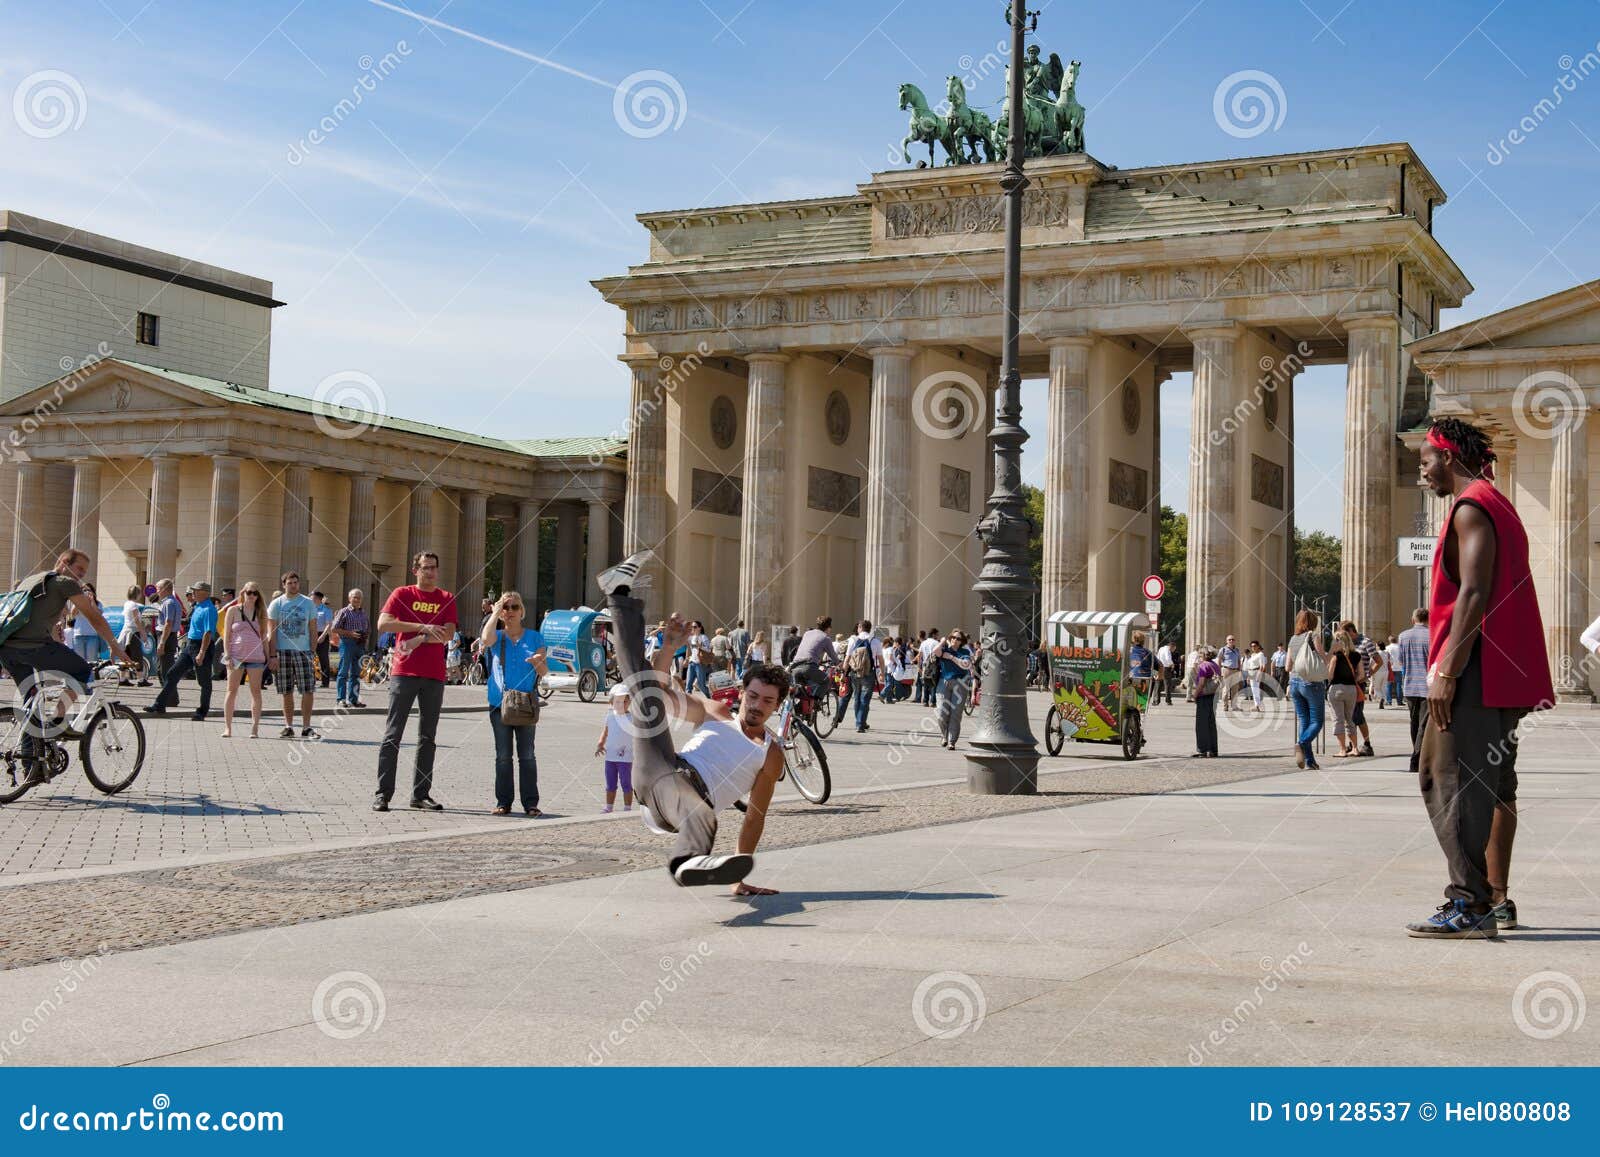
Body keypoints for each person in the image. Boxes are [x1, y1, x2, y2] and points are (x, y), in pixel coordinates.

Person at [1408, 417, 1553, 939]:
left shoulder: (1470, 508)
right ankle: (1496, 898)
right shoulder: (1500, 503)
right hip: (1503, 673)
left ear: (1448, 455)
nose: (1421, 470)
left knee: (1445, 780)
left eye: (1425, 460)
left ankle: (1469, 905)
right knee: (1494, 786)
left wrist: (1447, 667)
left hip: (1475, 671)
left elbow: (1473, 592)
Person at [597, 550, 785, 894]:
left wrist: (740, 874)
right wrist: (668, 649)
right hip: (660, 768)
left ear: (778, 706)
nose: (757, 706)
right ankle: (618, 593)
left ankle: (689, 862)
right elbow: (657, 692)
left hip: (685, 804)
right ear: (742, 692)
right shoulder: (714, 711)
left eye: (768, 702)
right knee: (645, 692)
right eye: (753, 696)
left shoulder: (771, 754)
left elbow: (755, 815)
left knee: (702, 813)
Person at [0, 550, 131, 784]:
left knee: (31, 705)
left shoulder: (35, 579)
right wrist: (116, 647)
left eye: (84, 572)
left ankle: (32, 767)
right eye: (79, 569)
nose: (81, 576)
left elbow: (35, 616)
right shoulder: (65, 583)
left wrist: (59, 646)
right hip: (33, 647)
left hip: (8, 648)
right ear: (63, 563)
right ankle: (59, 720)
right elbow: (94, 617)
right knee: (82, 672)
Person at [373, 551, 459, 812]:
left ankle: (420, 795)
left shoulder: (446, 598)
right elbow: (383, 624)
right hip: (404, 671)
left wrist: (418, 639)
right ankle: (382, 794)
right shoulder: (402, 594)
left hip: (434, 674)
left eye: (434, 568)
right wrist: (422, 628)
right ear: (415, 570)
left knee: (427, 737)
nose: (430, 573)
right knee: (392, 734)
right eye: (425, 568)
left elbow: (448, 634)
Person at [480, 590, 547, 816]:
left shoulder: (535, 637)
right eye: (506, 608)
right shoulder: (497, 636)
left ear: (522, 612)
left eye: (514, 607)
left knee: (527, 755)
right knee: (503, 755)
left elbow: (544, 672)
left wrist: (538, 663)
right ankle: (504, 802)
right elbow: (485, 639)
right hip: (500, 703)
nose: (510, 611)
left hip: (526, 703)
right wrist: (494, 611)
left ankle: (531, 803)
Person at [147, 582, 217, 720]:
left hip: (201, 645)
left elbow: (208, 632)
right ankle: (160, 704)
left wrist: (202, 652)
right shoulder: (197, 606)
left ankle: (202, 712)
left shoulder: (209, 609)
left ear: (205, 592)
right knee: (173, 673)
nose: (193, 593)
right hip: (190, 645)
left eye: (196, 591)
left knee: (204, 682)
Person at [266, 572, 319, 740]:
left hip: (303, 652)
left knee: (308, 689)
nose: (294, 585)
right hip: (282, 652)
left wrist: (312, 651)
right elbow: (271, 632)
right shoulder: (276, 604)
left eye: (296, 582)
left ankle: (306, 726)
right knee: (286, 690)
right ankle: (288, 726)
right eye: (290, 583)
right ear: (284, 585)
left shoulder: (308, 603)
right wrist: (272, 655)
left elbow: (312, 629)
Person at [220, 582, 268, 738]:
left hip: (256, 657)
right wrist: (227, 654)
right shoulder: (233, 610)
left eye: (255, 593)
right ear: (243, 593)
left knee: (255, 691)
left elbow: (264, 637)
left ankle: (255, 728)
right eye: (249, 592)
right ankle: (228, 727)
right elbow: (226, 634)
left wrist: (269, 657)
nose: (252, 596)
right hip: (235, 655)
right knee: (231, 690)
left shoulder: (261, 612)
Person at [1286, 610, 1328, 770]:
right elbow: (1324, 658)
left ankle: (1310, 761)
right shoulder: (1313, 636)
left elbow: (1288, 666)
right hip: (1311, 683)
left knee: (1304, 720)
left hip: (1295, 682)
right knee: (1317, 722)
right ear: (1313, 622)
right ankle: (1302, 743)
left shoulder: (1293, 639)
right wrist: (1333, 650)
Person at [1397, 608, 1431, 774]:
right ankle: (1416, 758)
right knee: (1423, 725)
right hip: (1426, 686)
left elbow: (1401, 661)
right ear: (1428, 619)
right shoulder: (1432, 635)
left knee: (1414, 722)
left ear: (1413, 620)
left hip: (1410, 685)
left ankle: (1417, 754)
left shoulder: (1403, 636)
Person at [595, 683, 635, 813]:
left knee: (626, 783)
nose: (621, 704)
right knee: (610, 784)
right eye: (617, 701)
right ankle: (609, 806)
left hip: (625, 758)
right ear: (611, 702)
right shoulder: (610, 716)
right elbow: (605, 731)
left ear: (629, 702)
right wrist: (600, 743)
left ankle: (627, 808)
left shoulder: (632, 718)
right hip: (610, 757)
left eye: (625, 701)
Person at [1341, 620, 1379, 754]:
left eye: (1346, 633)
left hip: (1359, 683)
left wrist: (1366, 675)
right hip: (1346, 683)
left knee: (1357, 715)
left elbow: (1378, 661)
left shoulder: (1366, 642)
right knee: (1348, 716)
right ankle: (1353, 745)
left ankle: (1367, 744)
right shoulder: (1346, 642)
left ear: (1352, 630)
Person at [934, 630, 973, 749]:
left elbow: (966, 664)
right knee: (941, 713)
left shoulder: (964, 651)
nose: (954, 640)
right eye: (953, 637)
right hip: (943, 683)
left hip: (960, 684)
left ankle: (952, 740)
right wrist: (941, 642)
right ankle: (944, 735)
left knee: (955, 714)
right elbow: (936, 652)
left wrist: (951, 657)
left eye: (958, 638)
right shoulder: (945, 649)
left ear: (962, 642)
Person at [330, 589, 369, 708]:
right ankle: (341, 699)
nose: (357, 600)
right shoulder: (344, 612)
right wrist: (350, 633)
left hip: (360, 644)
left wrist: (364, 636)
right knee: (343, 672)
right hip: (347, 643)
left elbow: (368, 629)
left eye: (359, 598)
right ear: (349, 598)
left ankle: (354, 699)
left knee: (356, 674)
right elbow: (334, 628)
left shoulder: (363, 614)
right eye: (354, 597)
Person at [789, 616, 839, 705]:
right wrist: (840, 665)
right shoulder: (826, 638)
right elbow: (833, 656)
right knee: (825, 681)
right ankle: (815, 703)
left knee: (801, 692)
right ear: (828, 628)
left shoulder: (807, 633)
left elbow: (809, 649)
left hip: (795, 666)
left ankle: (801, 712)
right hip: (808, 667)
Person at [1325, 633, 1361, 756]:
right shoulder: (1356, 655)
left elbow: (1329, 676)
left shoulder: (1336, 657)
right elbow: (1361, 674)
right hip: (1352, 689)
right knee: (1350, 719)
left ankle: (1342, 750)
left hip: (1336, 689)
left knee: (1338, 719)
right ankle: (1355, 748)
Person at [118, 585, 154, 686]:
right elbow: (137, 621)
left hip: (126, 631)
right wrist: (143, 634)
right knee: (137, 656)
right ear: (137, 594)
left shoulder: (127, 603)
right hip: (133, 633)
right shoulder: (134, 605)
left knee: (126, 655)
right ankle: (141, 680)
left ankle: (122, 679)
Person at [1190, 645, 1220, 757]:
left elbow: (1201, 683)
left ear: (1205, 655)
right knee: (1211, 723)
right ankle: (1213, 749)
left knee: (1202, 724)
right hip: (1213, 697)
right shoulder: (1215, 665)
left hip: (1204, 696)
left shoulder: (1203, 666)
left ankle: (1203, 750)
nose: (1198, 657)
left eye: (1200, 655)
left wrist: (1195, 695)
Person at [153, 578, 183, 684]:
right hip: (169, 636)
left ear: (165, 589)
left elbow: (168, 623)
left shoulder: (168, 603)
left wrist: (162, 643)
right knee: (163, 668)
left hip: (166, 636)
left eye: (158, 589)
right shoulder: (172, 602)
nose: (156, 591)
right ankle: (169, 696)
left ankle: (169, 697)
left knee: (164, 670)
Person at [67, 582, 104, 664]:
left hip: (92, 635)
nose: (86, 592)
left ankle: (91, 676)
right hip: (79, 635)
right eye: (84, 590)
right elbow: (72, 614)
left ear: (93, 591)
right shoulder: (77, 602)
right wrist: (80, 601)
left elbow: (99, 615)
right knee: (79, 661)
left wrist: (92, 602)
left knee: (92, 661)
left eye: (88, 590)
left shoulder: (98, 604)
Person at [312, 591, 334, 689]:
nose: (311, 600)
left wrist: (323, 636)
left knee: (323, 659)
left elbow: (329, 624)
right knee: (309, 658)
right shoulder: (310, 609)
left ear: (318, 599)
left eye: (312, 598)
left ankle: (325, 682)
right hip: (311, 635)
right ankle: (310, 680)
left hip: (322, 635)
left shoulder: (326, 610)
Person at [1217, 634, 1242, 711]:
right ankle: (1225, 706)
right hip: (1226, 670)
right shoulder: (1223, 649)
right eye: (1229, 639)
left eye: (1233, 639)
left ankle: (1234, 706)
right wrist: (1219, 670)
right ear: (1226, 641)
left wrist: (1240, 670)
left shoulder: (1237, 650)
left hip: (1235, 670)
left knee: (1235, 689)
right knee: (1226, 689)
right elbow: (1219, 660)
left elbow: (1239, 661)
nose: (1231, 641)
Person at [919, 627, 942, 706]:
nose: (938, 636)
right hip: (934, 665)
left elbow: (920, 655)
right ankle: (933, 701)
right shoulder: (936, 643)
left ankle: (925, 701)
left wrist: (919, 666)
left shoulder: (923, 643)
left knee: (926, 682)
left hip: (925, 665)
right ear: (933, 634)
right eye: (937, 634)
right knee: (934, 683)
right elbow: (939, 654)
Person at [1242, 640, 1267, 711]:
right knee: (1253, 690)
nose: (1253, 647)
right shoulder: (1252, 655)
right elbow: (1250, 665)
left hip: (1256, 672)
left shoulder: (1260, 654)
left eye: (1255, 646)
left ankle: (1257, 705)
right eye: (1252, 646)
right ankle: (1256, 705)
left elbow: (1262, 666)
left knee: (1255, 689)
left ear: (1258, 646)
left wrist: (1260, 674)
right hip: (1251, 672)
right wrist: (1248, 677)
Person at [1155, 638, 1176, 706]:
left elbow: (1157, 657)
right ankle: (1168, 701)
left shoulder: (1161, 648)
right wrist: (1172, 664)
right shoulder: (1168, 650)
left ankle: (1156, 700)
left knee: (1158, 684)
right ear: (1171, 646)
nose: (1173, 651)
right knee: (1167, 685)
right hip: (1166, 668)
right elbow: (1168, 659)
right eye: (1173, 649)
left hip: (1159, 667)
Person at [1384, 634, 1403, 708]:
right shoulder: (1400, 647)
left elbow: (1386, 658)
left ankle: (1389, 701)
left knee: (1389, 685)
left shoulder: (1387, 648)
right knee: (1399, 685)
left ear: (1389, 640)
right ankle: (1400, 701)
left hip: (1390, 668)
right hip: (1399, 668)